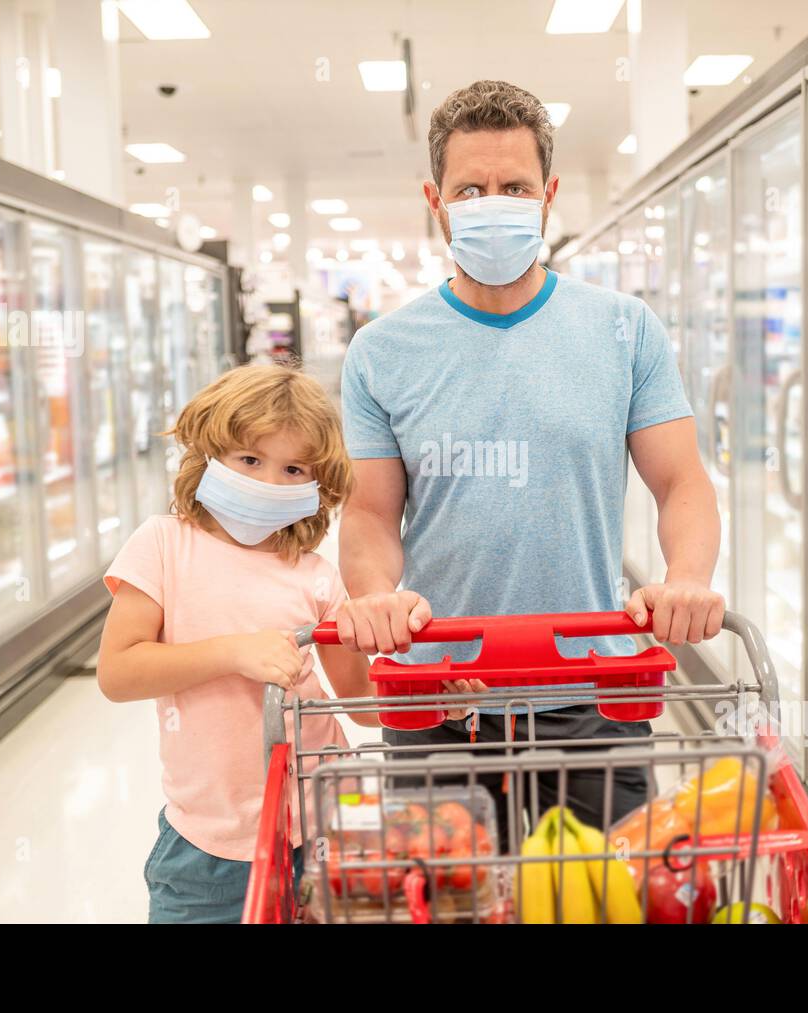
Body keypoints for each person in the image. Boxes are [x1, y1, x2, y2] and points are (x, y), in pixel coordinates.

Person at [336, 80, 726, 843]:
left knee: (601, 897)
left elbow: (681, 482)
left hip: (594, 691)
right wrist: (374, 593)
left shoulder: (624, 331)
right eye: (470, 188)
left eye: (513, 186)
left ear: (547, 195)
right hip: (439, 694)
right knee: (452, 897)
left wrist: (687, 578)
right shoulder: (381, 352)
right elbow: (370, 514)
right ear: (435, 200)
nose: (493, 201)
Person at [96, 365, 382, 923]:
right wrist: (234, 652)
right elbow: (118, 672)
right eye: (249, 460)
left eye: (293, 468)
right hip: (210, 842)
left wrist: (440, 696)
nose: (269, 483)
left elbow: (359, 697)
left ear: (316, 486)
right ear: (209, 456)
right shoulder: (162, 545)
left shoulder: (315, 573)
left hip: (325, 821)